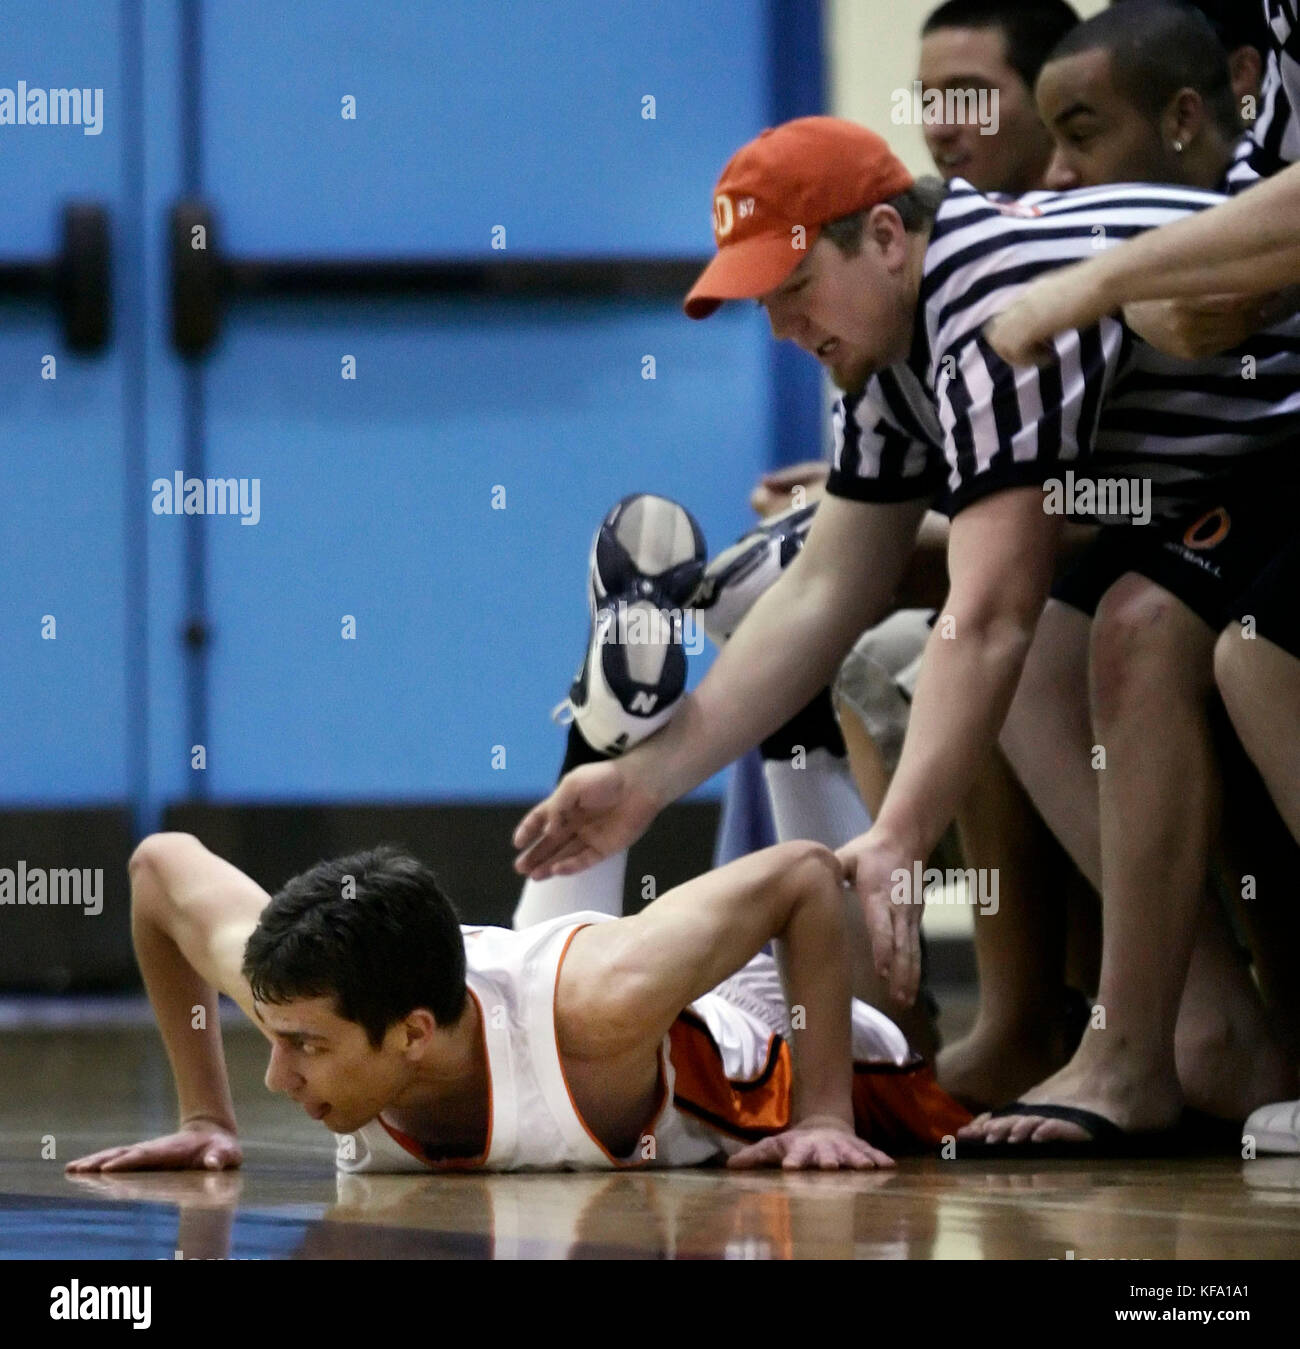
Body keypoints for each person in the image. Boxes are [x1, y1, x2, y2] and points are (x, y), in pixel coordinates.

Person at [514, 115, 1300, 1153]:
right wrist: (648, 778)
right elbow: (828, 584)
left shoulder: (984, 293)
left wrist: (898, 837)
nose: (784, 324)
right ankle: (1201, 1026)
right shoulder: (883, 354)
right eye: (763, 303)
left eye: (793, 288)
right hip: (1222, 494)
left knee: (1115, 627)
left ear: (886, 236)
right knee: (1073, 644)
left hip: (1270, 461)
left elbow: (991, 610)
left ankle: (1158, 1040)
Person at [982, 6, 1300, 1155]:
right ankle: (1175, 1025)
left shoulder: (1089, 242)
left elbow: (1228, 324)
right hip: (1208, 497)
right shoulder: (1002, 258)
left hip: (1255, 479)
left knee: (1204, 636)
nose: (952, 131)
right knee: (1004, 649)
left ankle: (1129, 1036)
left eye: (968, 96)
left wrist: (1102, 282)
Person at [64, 832, 968, 1176]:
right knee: (556, 959)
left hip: (756, 1025)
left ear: (413, 1033)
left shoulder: (603, 1006)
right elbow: (158, 868)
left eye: (301, 1046)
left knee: (587, 986)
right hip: (524, 995)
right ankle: (602, 751)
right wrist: (202, 1116)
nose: (276, 1074)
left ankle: (613, 759)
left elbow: (805, 875)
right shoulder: (306, 988)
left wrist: (821, 1112)